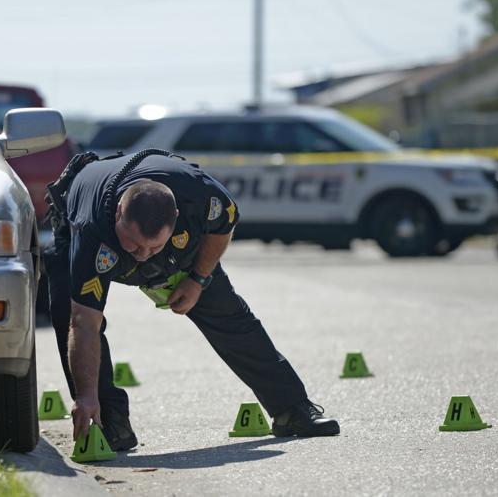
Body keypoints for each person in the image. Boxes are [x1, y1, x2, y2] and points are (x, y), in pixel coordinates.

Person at [43, 149, 339, 450]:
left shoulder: (202, 197)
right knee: (68, 312)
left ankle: (291, 410)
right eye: (133, 243)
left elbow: (222, 228)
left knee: (228, 313)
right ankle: (107, 422)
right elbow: (84, 323)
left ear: (176, 218)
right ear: (120, 212)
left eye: (152, 247)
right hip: (84, 226)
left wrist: (197, 279)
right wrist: (86, 396)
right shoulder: (91, 229)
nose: (143, 255)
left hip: (179, 250)